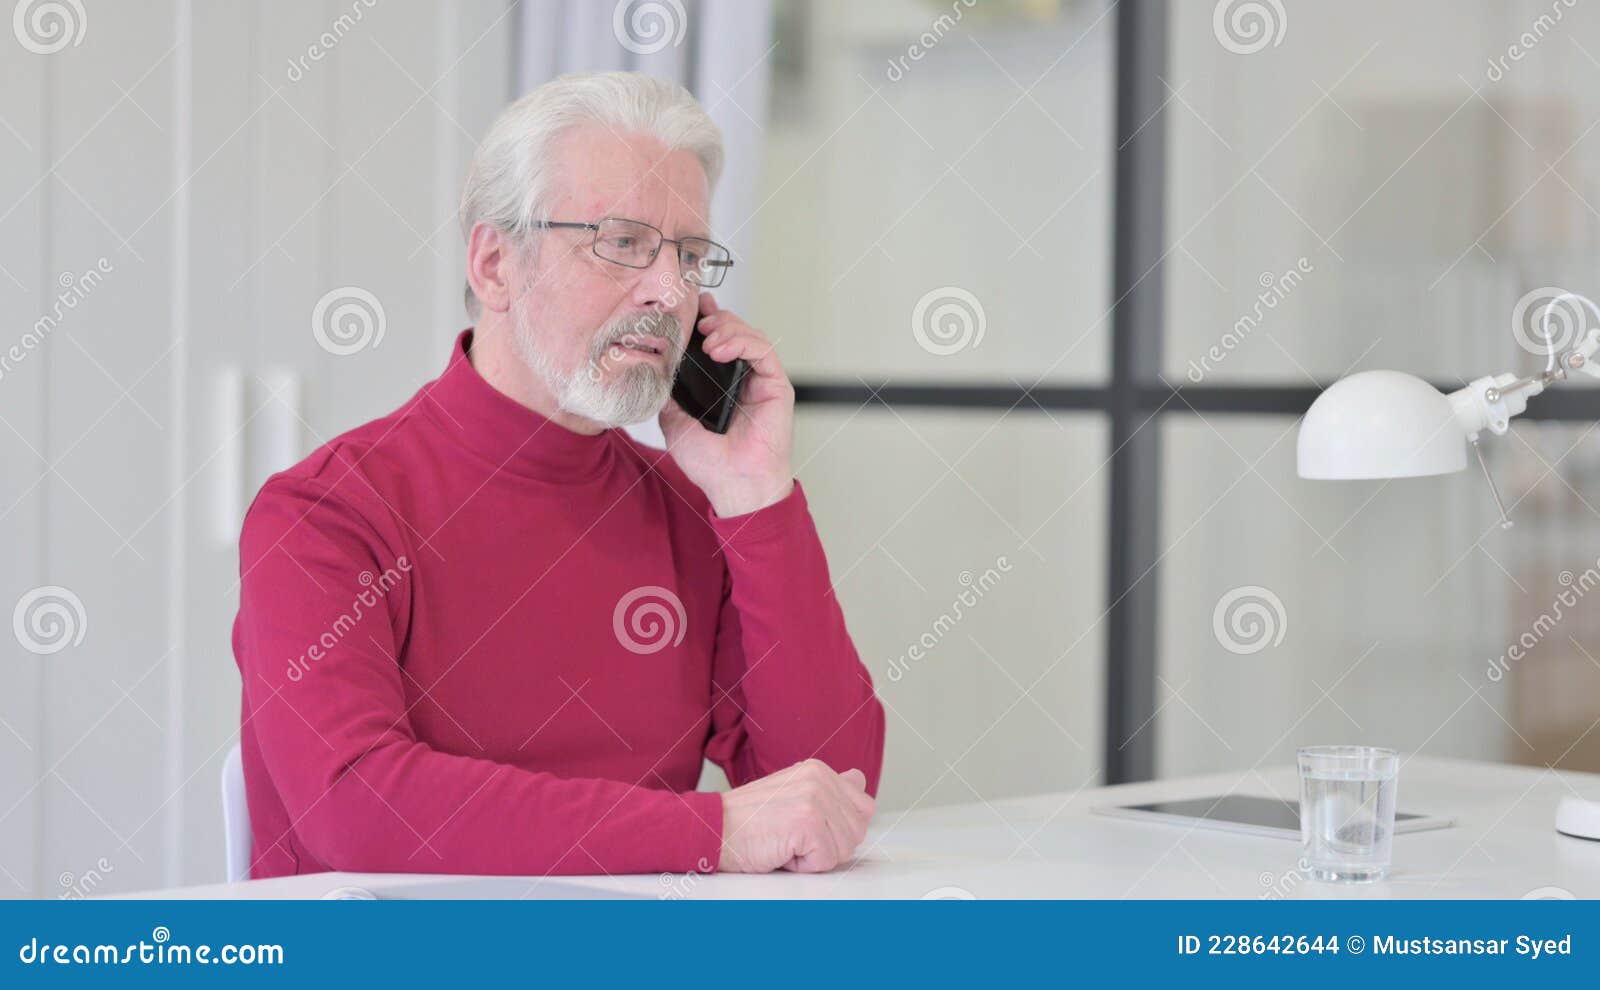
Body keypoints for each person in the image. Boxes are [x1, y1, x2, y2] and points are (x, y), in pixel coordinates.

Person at [231, 71, 885, 880]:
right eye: (622, 243)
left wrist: (758, 498)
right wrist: (711, 831)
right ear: (496, 264)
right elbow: (358, 810)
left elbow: (830, 790)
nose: (669, 290)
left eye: (689, 255)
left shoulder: (692, 507)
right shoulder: (324, 514)